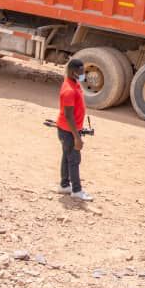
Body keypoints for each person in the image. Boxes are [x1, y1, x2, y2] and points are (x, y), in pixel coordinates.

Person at [56, 58, 93, 201]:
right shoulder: (69, 90)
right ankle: (77, 190)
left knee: (66, 156)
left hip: (67, 129)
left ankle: (64, 185)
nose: (83, 74)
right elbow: (68, 116)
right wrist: (77, 137)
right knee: (74, 159)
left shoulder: (73, 83)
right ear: (73, 72)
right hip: (69, 131)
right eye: (81, 72)